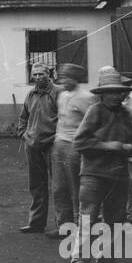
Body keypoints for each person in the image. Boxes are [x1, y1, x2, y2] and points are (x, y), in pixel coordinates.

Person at [69, 67, 132, 263]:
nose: (117, 95)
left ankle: (108, 259)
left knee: (115, 218)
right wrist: (111, 146)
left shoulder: (125, 114)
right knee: (88, 217)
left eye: (119, 92)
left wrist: (131, 148)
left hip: (118, 175)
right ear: (103, 94)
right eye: (111, 92)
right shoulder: (95, 112)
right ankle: (79, 259)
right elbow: (80, 142)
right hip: (94, 174)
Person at [50, 63, 94, 237]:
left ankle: (79, 226)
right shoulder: (62, 96)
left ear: (76, 78)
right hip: (59, 144)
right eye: (61, 78)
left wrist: (83, 145)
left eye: (67, 78)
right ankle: (64, 226)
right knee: (59, 187)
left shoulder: (86, 97)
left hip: (75, 147)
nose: (63, 81)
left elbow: (92, 123)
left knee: (76, 187)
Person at [17, 61, 59, 233]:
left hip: (52, 144)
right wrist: (23, 134)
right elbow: (23, 117)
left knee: (58, 186)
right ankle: (36, 223)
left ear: (49, 74)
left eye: (41, 73)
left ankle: (62, 225)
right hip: (32, 145)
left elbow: (65, 117)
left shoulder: (57, 93)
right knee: (36, 185)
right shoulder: (30, 94)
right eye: (35, 74)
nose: (37, 77)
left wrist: (57, 138)